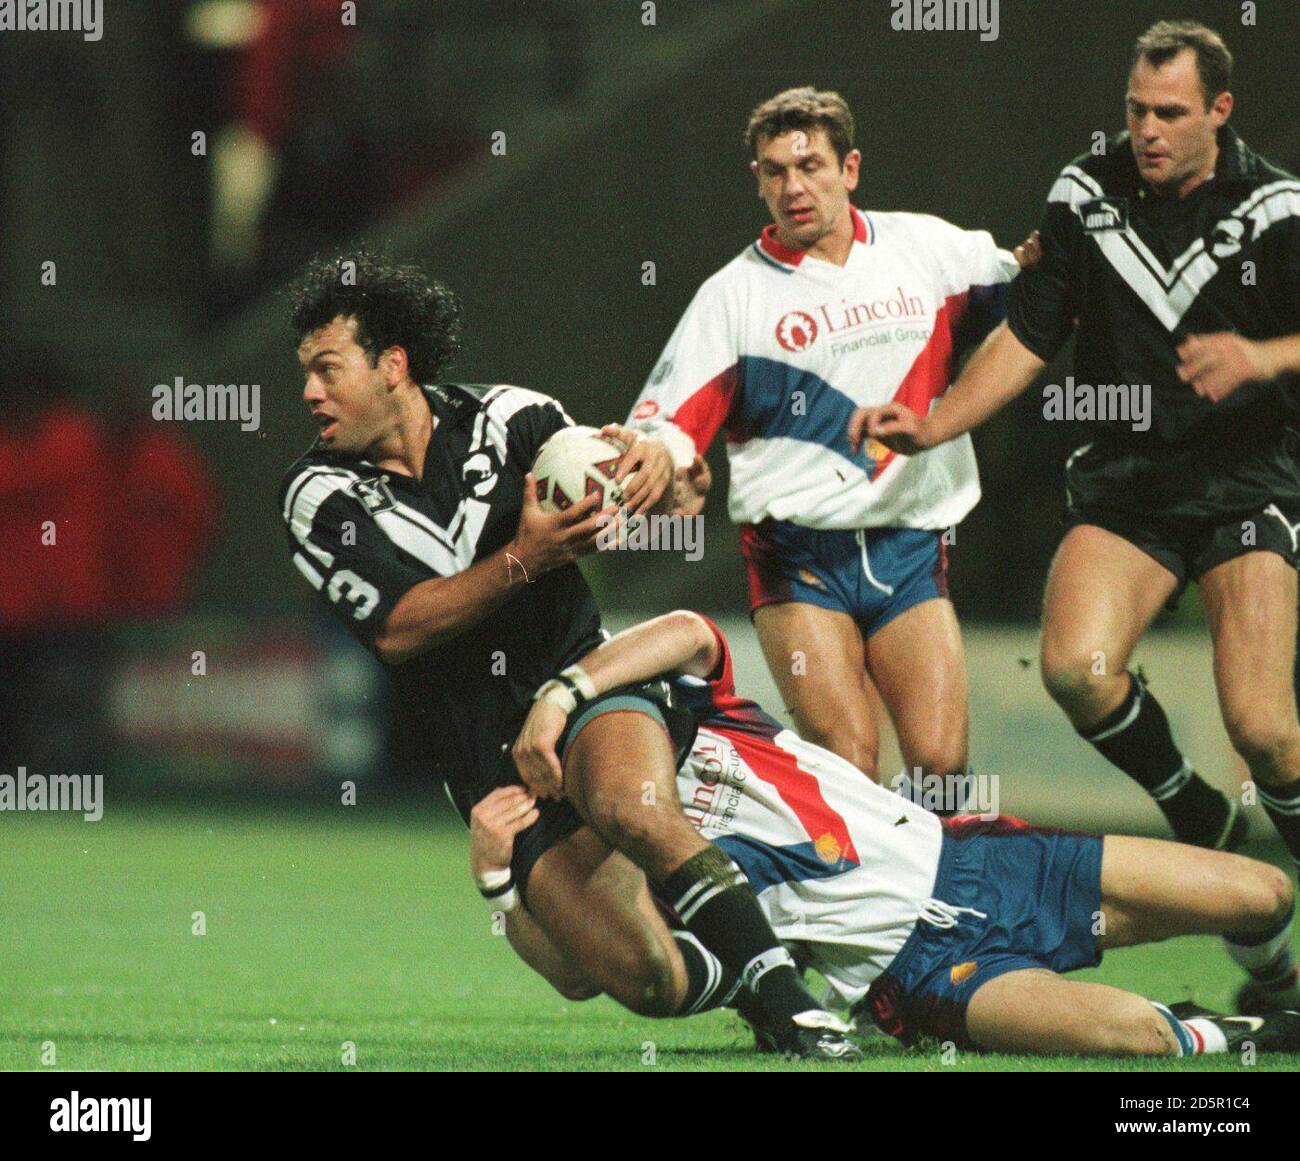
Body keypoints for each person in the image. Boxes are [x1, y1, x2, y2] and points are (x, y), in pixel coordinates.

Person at [278, 251, 858, 1059]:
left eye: (326, 369)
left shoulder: (515, 418)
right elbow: (404, 628)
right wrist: (526, 556)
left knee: (629, 804)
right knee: (629, 976)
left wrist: (668, 468)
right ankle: (764, 955)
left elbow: (658, 493)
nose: (309, 391)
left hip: (584, 688)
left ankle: (793, 1004)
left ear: (393, 365)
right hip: (486, 764)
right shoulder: (316, 497)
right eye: (304, 372)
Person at [850, 22, 1300, 1009]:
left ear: (1218, 113)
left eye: (1169, 114)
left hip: (1243, 493)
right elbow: (1028, 332)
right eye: (1137, 109)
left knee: (1267, 737)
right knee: (1074, 671)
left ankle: (1277, 932)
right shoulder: (1085, 193)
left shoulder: (1277, 209)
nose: (1146, 129)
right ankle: (1197, 818)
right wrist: (933, 425)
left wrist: (1262, 359)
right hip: (1127, 494)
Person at [483, 608, 1300, 1057]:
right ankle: (1252, 1032)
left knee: (1265, 893)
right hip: (926, 973)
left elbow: (691, 629)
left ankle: (1274, 993)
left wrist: (565, 689)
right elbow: (587, 972)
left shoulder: (716, 718)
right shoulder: (668, 872)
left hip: (989, 861)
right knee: (1149, 1038)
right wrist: (500, 883)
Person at [626, 86, 1039, 807]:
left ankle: (941, 914)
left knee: (942, 766)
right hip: (798, 555)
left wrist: (1047, 265)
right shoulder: (732, 298)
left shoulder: (932, 251)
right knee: (849, 763)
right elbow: (665, 421)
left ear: (850, 168)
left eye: (810, 165)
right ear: (757, 180)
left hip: (910, 545)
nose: (793, 186)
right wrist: (664, 460)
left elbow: (1035, 303)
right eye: (773, 171)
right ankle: (853, 917)